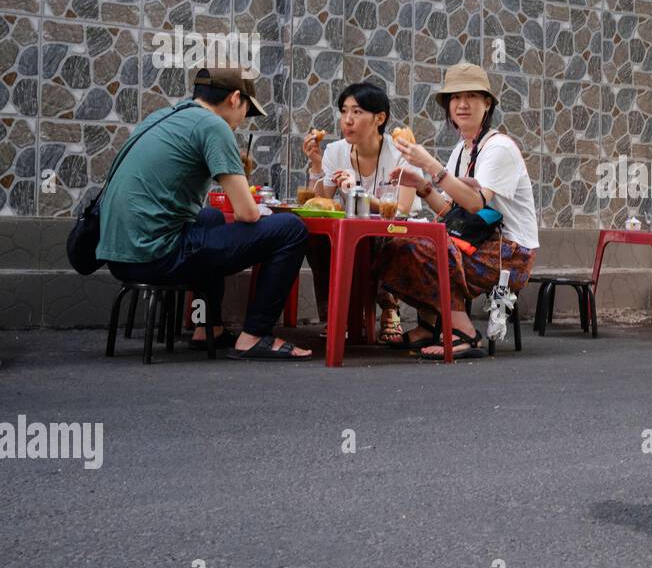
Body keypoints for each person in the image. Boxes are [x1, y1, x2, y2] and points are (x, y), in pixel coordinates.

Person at [97, 67, 311, 360]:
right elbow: (247, 213)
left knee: (209, 218)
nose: (240, 123)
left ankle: (207, 327)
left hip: (120, 258)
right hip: (157, 256)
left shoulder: (160, 117)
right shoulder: (213, 125)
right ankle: (255, 337)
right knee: (291, 228)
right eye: (246, 112)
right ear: (236, 99)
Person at [376, 63, 540, 359]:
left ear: (487, 103)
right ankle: (429, 324)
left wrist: (430, 165)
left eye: (472, 97)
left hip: (509, 252)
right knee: (396, 246)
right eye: (455, 97)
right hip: (475, 241)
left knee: (429, 247)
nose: (462, 104)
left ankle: (463, 331)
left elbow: (476, 203)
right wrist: (423, 187)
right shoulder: (461, 150)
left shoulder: (498, 147)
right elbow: (453, 212)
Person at [300, 81, 416, 343]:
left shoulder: (400, 152)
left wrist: (358, 193)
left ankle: (390, 310)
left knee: (393, 239)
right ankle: (333, 313)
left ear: (380, 118)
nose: (347, 120)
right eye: (344, 111)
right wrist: (316, 165)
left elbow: (402, 210)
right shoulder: (335, 151)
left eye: (357, 112)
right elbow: (322, 204)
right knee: (316, 238)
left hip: (394, 229)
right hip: (353, 235)